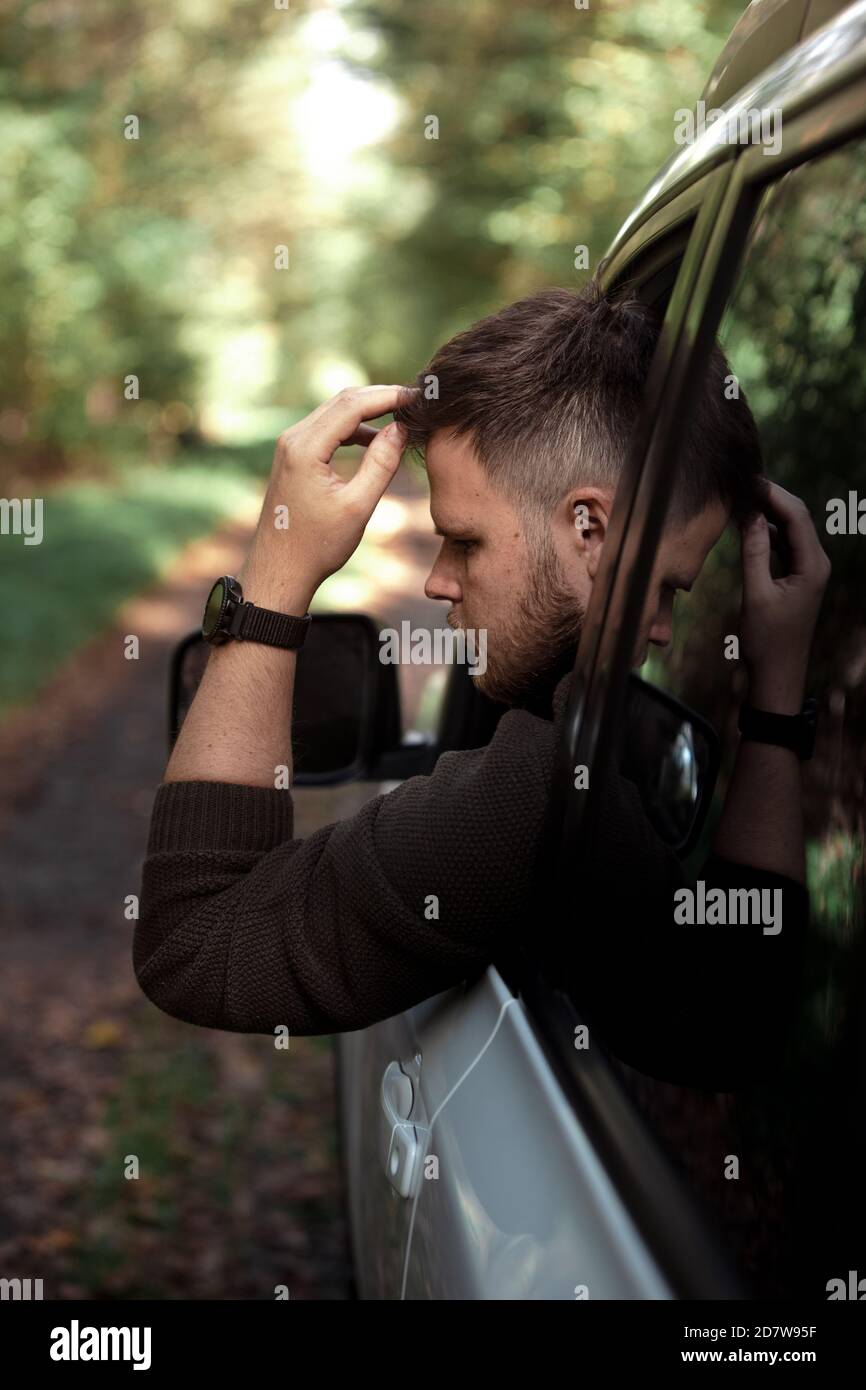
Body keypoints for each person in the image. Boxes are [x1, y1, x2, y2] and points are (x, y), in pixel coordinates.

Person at [134, 283, 830, 1083]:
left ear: (591, 528)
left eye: (463, 542)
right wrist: (776, 702)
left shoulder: (531, 793)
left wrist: (275, 578)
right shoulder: (573, 775)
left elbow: (191, 944)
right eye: (667, 588)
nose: (437, 581)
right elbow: (734, 1008)